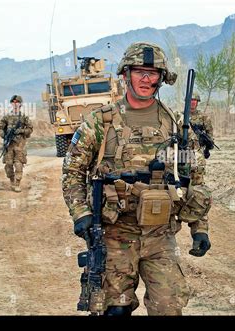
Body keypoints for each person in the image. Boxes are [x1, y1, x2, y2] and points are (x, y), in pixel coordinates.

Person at [62, 42, 212, 315]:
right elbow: (73, 171)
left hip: (161, 235)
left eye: (152, 73)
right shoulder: (100, 122)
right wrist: (80, 212)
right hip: (115, 234)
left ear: (161, 78)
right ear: (125, 74)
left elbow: (195, 179)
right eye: (139, 72)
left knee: (169, 307)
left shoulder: (177, 125)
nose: (146, 79)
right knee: (114, 310)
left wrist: (199, 227)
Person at [0, 95, 33, 192]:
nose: (15, 104)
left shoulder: (23, 117)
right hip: (9, 145)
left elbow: (30, 129)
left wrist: (21, 131)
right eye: (13, 102)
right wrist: (4, 136)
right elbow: (0, 128)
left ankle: (17, 183)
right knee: (8, 164)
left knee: (18, 164)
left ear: (20, 104)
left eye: (17, 102)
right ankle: (12, 181)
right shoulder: (7, 117)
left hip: (19, 144)